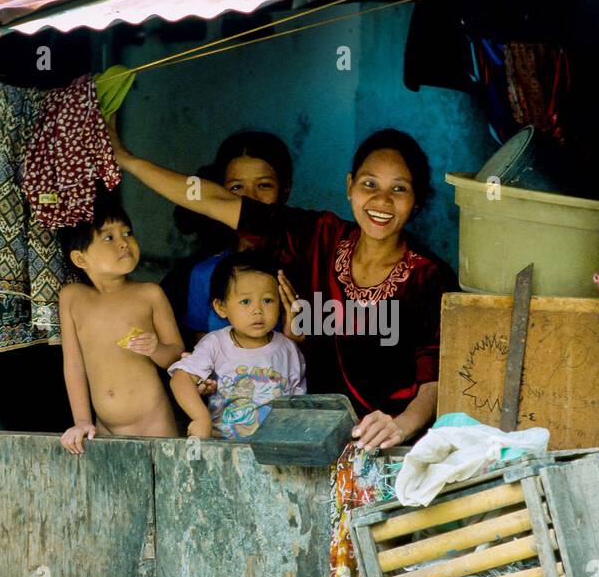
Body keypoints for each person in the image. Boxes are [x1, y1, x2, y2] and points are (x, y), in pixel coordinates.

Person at [110, 123, 457, 450]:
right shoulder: (318, 237)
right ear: (350, 185)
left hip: (391, 445)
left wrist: (402, 425)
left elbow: (438, 376)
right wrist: (128, 160)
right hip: (311, 438)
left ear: (417, 200)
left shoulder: (430, 277)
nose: (381, 201)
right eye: (369, 184)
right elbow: (217, 201)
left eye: (399, 189)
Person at [57, 190, 184, 453]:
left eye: (127, 233)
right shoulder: (72, 298)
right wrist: (81, 421)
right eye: (108, 237)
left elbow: (177, 357)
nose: (124, 242)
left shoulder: (149, 294)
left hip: (155, 420)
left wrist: (155, 349)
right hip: (103, 426)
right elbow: (73, 365)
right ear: (80, 258)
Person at [161, 131, 298, 344]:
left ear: (285, 190)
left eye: (264, 185)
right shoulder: (204, 273)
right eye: (236, 187)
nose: (250, 199)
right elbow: (201, 351)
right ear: (219, 194)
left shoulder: (305, 266)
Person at [167, 249, 306, 440]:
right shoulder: (215, 343)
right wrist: (200, 418)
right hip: (223, 454)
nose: (257, 310)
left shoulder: (288, 348)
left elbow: (299, 405)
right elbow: (180, 379)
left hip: (273, 453)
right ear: (221, 307)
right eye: (245, 301)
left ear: (281, 304)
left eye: (267, 300)